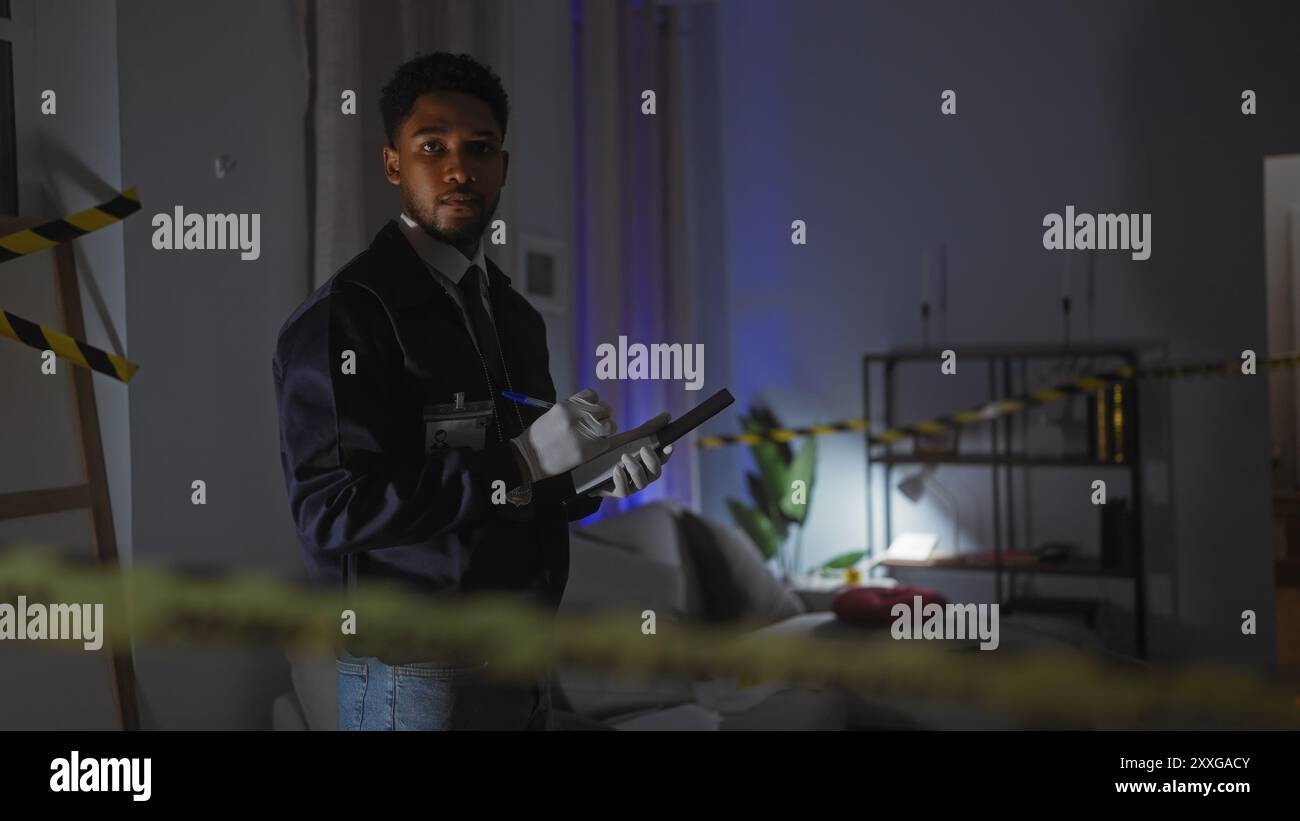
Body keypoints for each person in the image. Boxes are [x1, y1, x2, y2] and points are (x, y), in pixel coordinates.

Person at [272, 51, 670, 730]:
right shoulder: (346, 318)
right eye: (432, 147)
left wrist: (587, 478)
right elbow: (332, 511)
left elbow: (513, 495)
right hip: (415, 681)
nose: (459, 169)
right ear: (393, 164)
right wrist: (521, 459)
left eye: (479, 148)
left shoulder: (514, 316)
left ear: (503, 166)